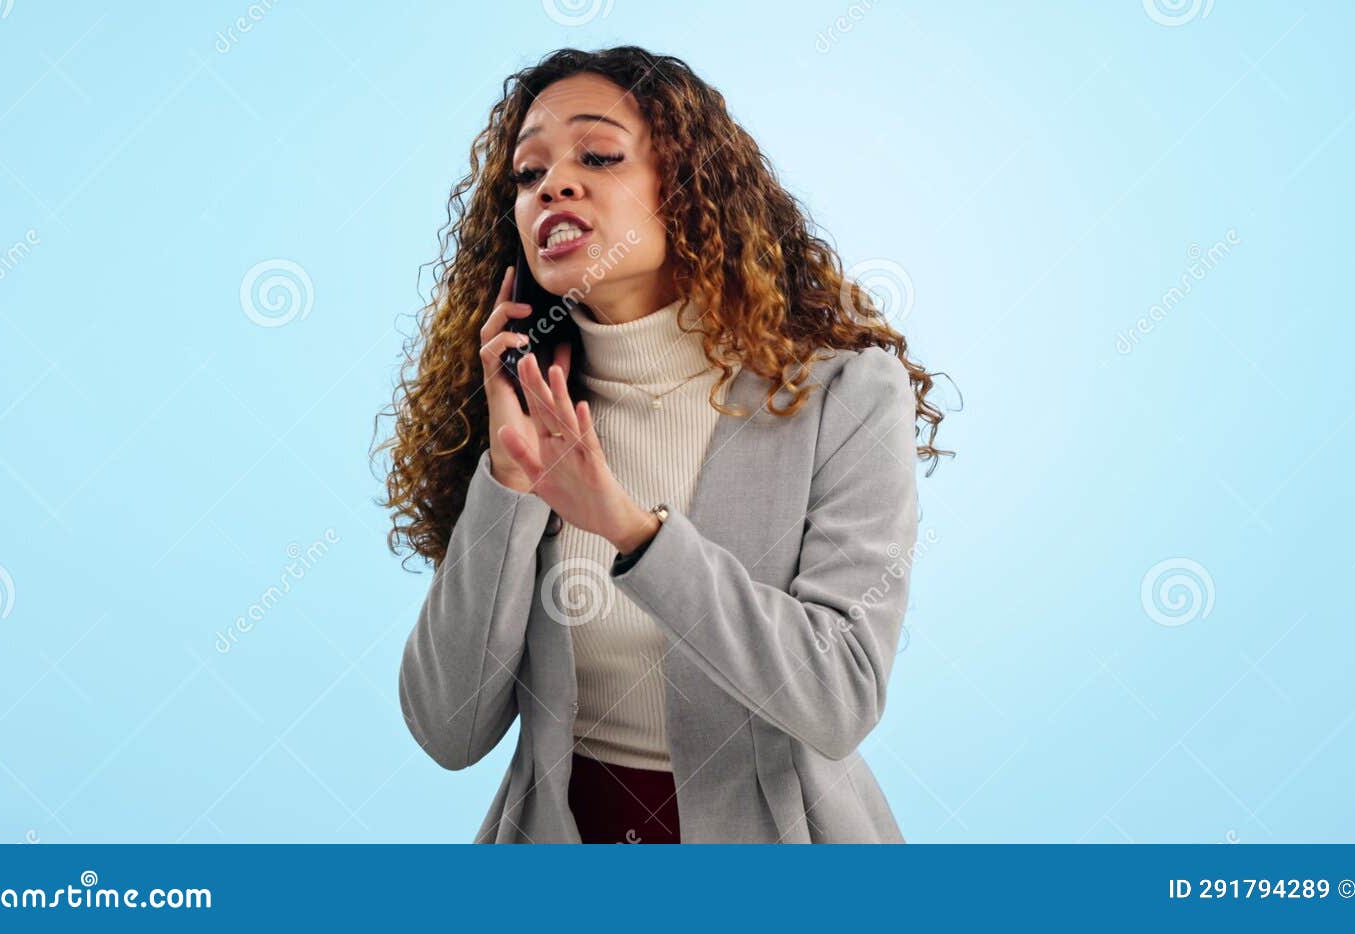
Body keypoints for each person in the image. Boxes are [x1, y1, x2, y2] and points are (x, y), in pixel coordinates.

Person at [379, 46, 950, 843]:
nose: (554, 186)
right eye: (528, 173)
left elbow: (838, 698)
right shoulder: (530, 399)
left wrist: (631, 533)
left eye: (600, 155)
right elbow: (449, 728)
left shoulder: (843, 394)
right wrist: (506, 479)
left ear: (689, 187)